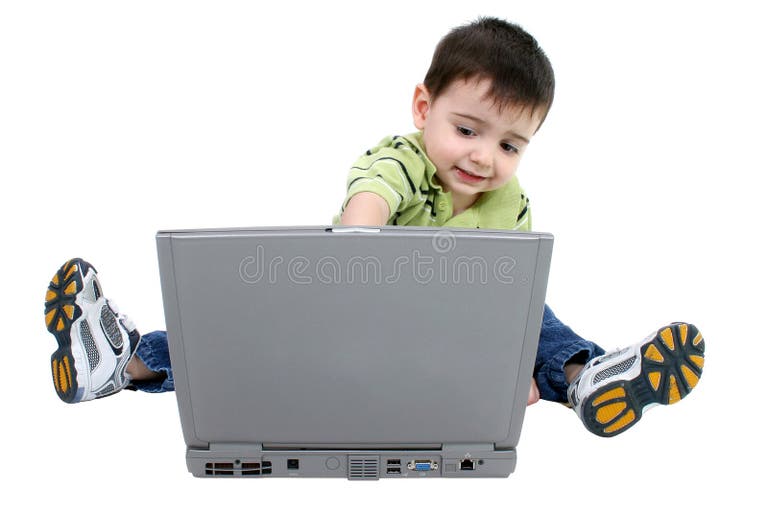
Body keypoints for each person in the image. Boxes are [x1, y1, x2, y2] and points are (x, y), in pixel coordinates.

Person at [43, 17, 705, 437]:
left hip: (444, 346)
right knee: (244, 336)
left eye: (510, 145)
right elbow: (371, 201)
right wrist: (359, 261)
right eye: (468, 130)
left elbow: (505, 315)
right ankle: (122, 363)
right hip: (349, 307)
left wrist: (502, 378)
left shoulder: (512, 204)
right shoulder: (402, 158)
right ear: (424, 108)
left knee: (541, 319)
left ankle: (588, 377)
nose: (484, 157)